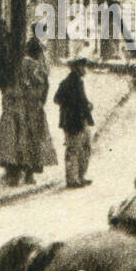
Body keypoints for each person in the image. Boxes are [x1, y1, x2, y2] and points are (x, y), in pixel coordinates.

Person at [0, 38, 58, 186]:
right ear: (37, 52)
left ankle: (13, 173)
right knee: (32, 140)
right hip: (32, 109)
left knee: (13, 140)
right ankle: (29, 174)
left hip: (13, 108)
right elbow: (44, 85)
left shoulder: (13, 64)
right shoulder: (35, 66)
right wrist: (39, 102)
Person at [54, 56, 94, 188]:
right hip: (72, 120)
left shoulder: (78, 82)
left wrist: (87, 104)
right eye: (82, 66)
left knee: (85, 148)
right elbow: (57, 99)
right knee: (73, 149)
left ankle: (80, 176)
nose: (85, 69)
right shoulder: (68, 82)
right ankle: (72, 179)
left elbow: (82, 99)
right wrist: (74, 106)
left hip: (80, 119)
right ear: (76, 68)